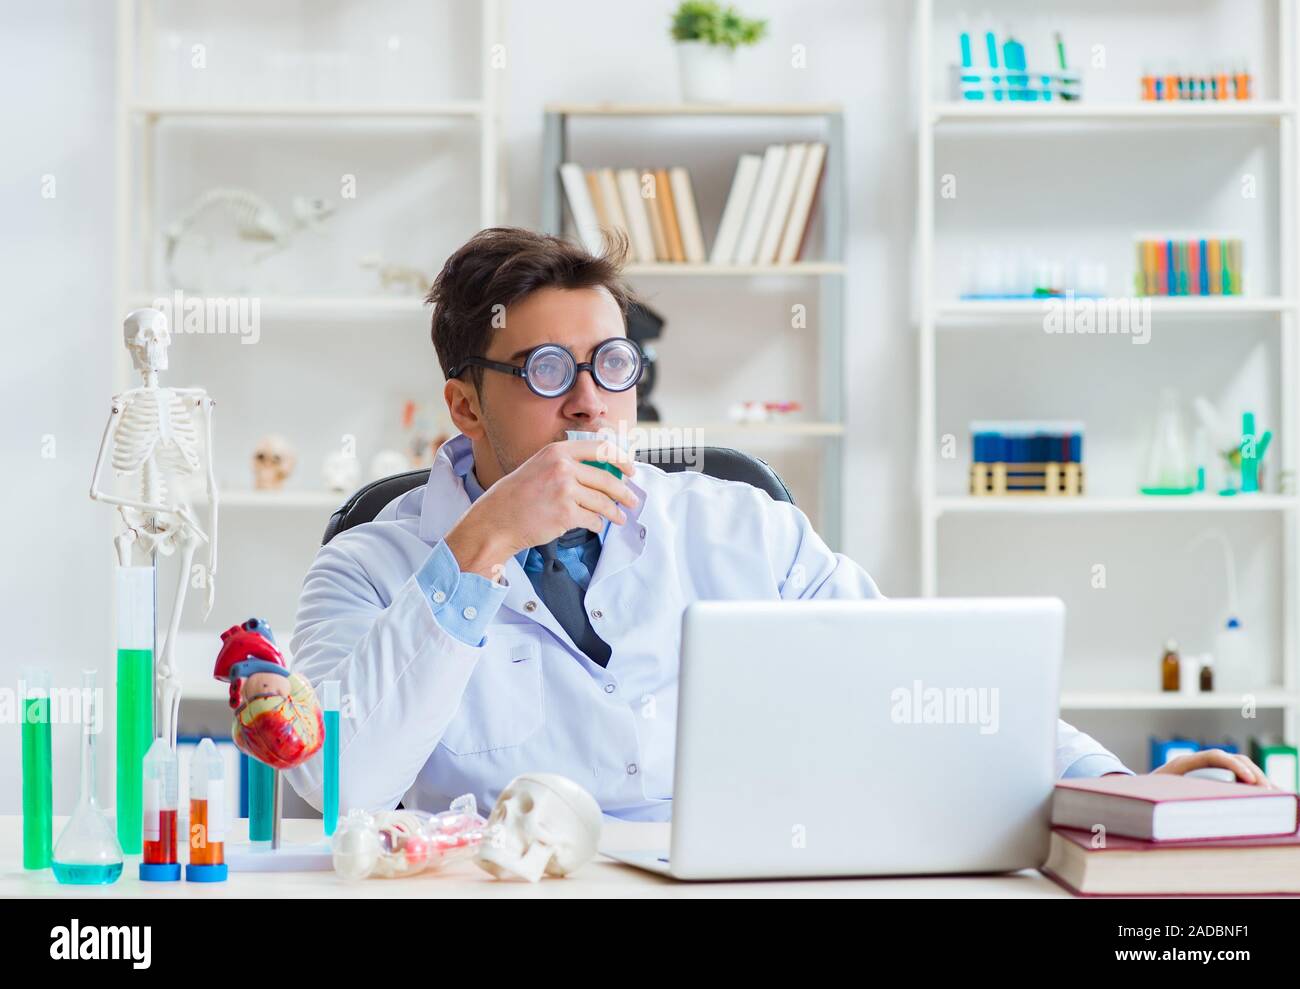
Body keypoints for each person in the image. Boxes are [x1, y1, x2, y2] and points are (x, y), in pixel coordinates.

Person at [285, 228, 1272, 821]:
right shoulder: (366, 567)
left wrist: (1116, 786)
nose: (590, 403)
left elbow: (916, 679)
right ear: (464, 406)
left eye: (613, 365)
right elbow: (335, 791)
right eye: (547, 373)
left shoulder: (740, 529)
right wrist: (481, 544)